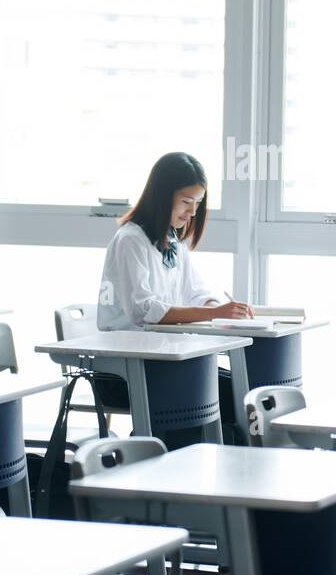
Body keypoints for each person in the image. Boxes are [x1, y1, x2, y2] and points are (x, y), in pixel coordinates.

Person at [97, 152, 251, 447]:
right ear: (161, 195)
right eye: (185, 202)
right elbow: (145, 311)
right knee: (227, 393)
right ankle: (155, 451)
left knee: (236, 390)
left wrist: (215, 307)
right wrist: (212, 313)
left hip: (164, 360)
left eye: (197, 204)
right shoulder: (131, 240)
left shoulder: (173, 241)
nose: (192, 213)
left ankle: (201, 463)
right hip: (126, 370)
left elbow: (195, 290)